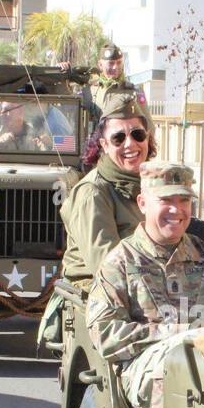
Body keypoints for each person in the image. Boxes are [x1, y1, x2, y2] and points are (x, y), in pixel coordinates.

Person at [87, 161, 204, 408]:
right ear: (143, 203)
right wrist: (176, 334)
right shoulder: (121, 263)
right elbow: (104, 333)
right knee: (173, 373)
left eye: (184, 200)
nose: (177, 210)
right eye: (165, 200)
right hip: (147, 371)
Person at [59, 91, 155, 283]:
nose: (130, 144)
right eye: (118, 138)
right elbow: (110, 271)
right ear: (104, 145)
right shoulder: (93, 192)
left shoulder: (149, 184)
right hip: (98, 302)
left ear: (147, 138)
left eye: (138, 134)